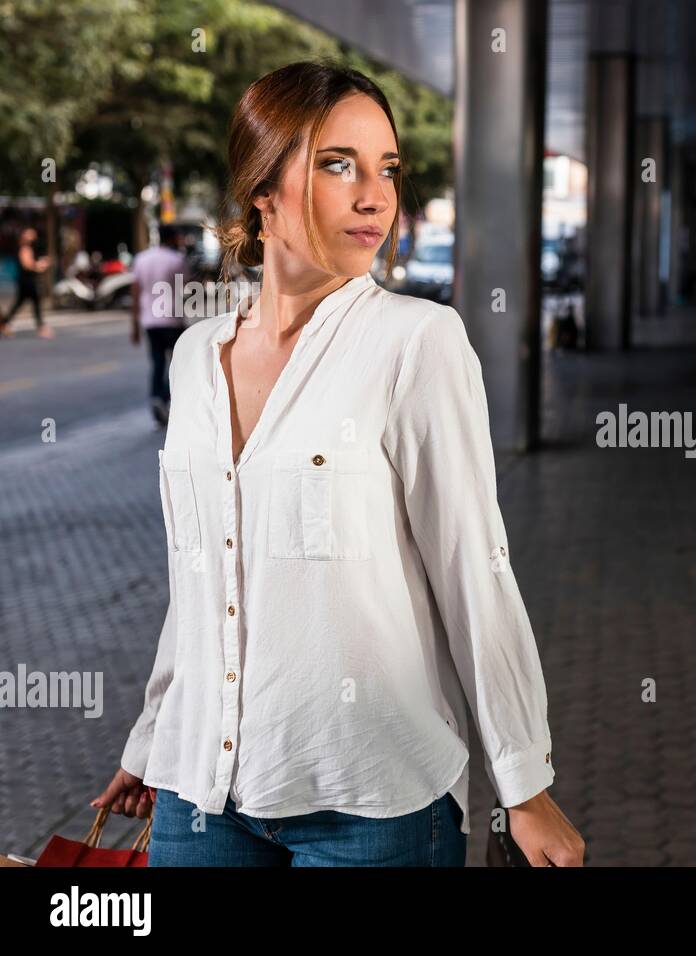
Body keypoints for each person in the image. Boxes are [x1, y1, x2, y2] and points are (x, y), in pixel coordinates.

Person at [91, 60, 585, 867]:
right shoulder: (193, 358)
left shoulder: (415, 342)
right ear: (262, 187)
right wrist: (152, 739)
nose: (374, 196)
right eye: (336, 164)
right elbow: (199, 578)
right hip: (200, 793)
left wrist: (524, 785)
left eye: (386, 168)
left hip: (374, 803)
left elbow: (474, 569)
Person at [130, 224, 191, 426]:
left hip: (150, 321)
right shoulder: (177, 260)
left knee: (157, 362)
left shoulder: (141, 259)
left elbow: (136, 293)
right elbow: (188, 287)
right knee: (178, 364)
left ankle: (156, 397)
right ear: (172, 238)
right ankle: (165, 395)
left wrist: (134, 326)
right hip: (172, 319)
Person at [0, 227, 52, 338]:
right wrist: (40, 265)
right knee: (35, 302)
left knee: (19, 304)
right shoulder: (24, 248)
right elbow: (27, 265)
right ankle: (41, 327)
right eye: (30, 234)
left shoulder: (27, 248)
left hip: (26, 280)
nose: (33, 237)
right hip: (26, 281)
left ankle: (4, 323)